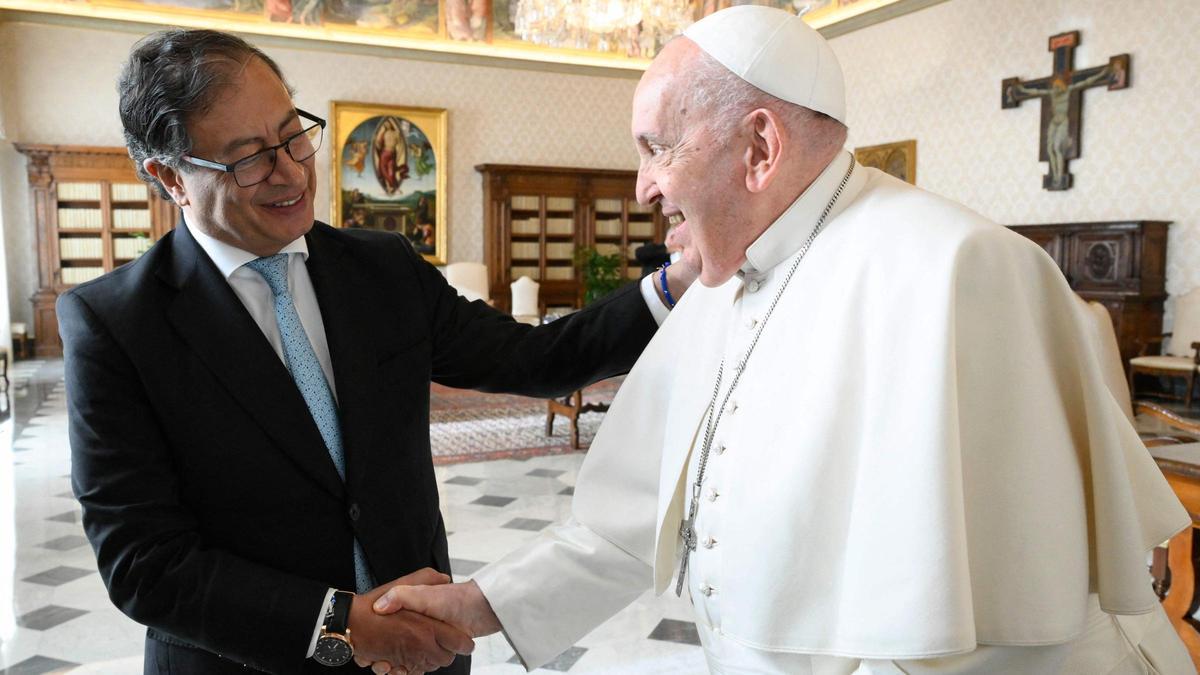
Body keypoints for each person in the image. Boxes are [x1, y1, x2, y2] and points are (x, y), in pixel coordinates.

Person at [368, 7, 1194, 674]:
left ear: (760, 147)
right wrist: (490, 604)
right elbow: (637, 516)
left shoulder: (956, 270)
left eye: (656, 147)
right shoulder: (724, 274)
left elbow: (999, 617)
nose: (643, 187)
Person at [58, 29, 696, 675]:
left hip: (421, 653)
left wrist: (674, 284)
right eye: (249, 157)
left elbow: (534, 360)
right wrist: (341, 626)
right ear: (170, 176)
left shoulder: (381, 268)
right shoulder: (117, 324)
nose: (290, 170)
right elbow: (147, 565)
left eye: (292, 134)